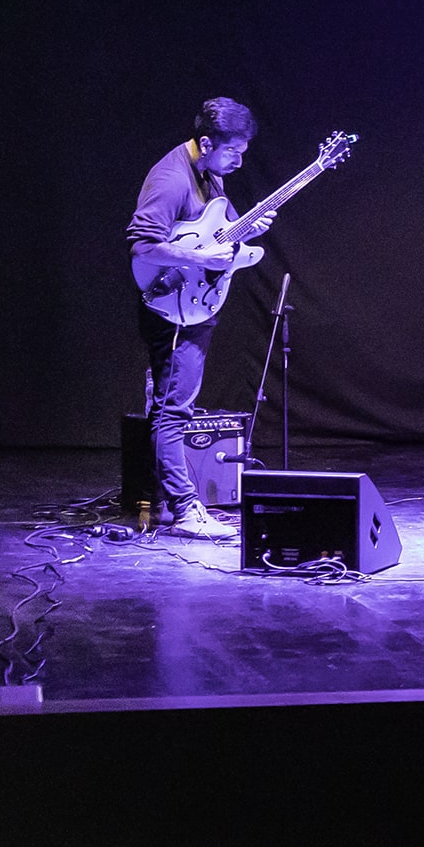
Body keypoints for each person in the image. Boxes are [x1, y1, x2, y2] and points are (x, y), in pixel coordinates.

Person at [127, 98, 275, 539]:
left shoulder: (208, 173)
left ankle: (171, 504)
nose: (240, 159)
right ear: (206, 142)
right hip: (173, 307)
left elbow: (211, 231)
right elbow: (142, 244)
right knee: (173, 412)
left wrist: (246, 230)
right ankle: (186, 510)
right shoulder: (172, 178)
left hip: (196, 303)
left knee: (171, 409)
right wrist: (196, 254)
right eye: (233, 151)